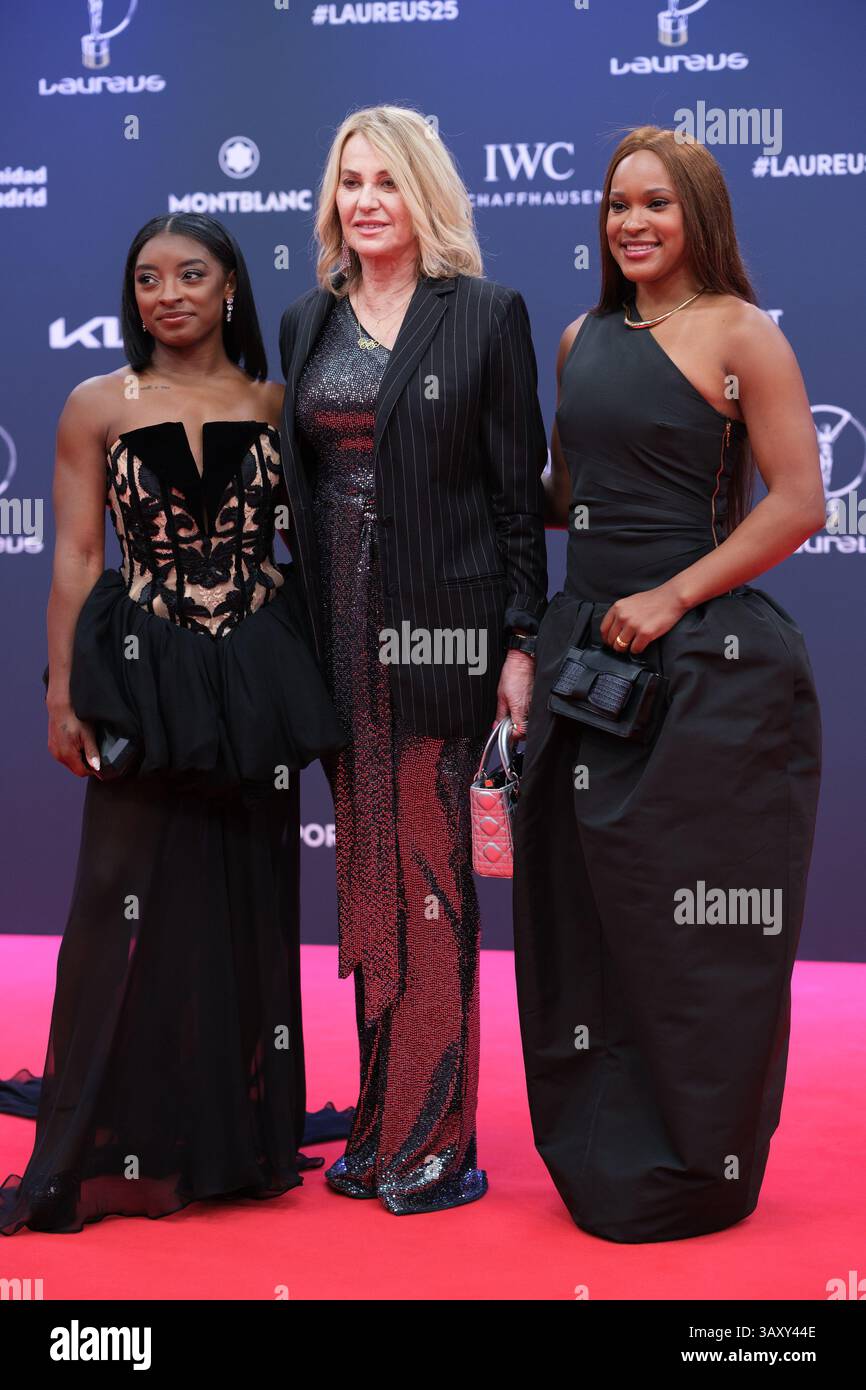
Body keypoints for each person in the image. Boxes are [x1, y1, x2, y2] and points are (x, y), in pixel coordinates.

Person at [0, 213, 344, 1235]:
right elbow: (73, 559)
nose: (169, 293)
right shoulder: (95, 403)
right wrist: (62, 691)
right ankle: (112, 1124)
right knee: (121, 898)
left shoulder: (277, 403)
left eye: (191, 273)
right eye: (147, 278)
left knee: (245, 893)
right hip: (144, 669)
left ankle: (231, 1131)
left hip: (256, 672)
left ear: (229, 286)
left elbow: (320, 545)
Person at [513, 127, 824, 1243]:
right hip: (580, 664)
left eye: (654, 203)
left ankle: (696, 1162)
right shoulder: (578, 336)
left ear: (698, 214)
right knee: (580, 920)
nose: (629, 222)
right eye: (613, 205)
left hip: (704, 670)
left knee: (685, 928)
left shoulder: (743, 334)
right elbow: (564, 493)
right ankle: (599, 1150)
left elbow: (795, 501)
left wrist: (672, 597)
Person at [278, 105, 548, 1214]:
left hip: (443, 635)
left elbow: (515, 502)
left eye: (387, 181)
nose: (366, 202)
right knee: (370, 875)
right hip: (335, 637)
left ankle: (434, 1143)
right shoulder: (306, 321)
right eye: (349, 182)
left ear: (424, 191)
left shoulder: (482, 316)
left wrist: (522, 642)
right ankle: (376, 1124)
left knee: (433, 873)